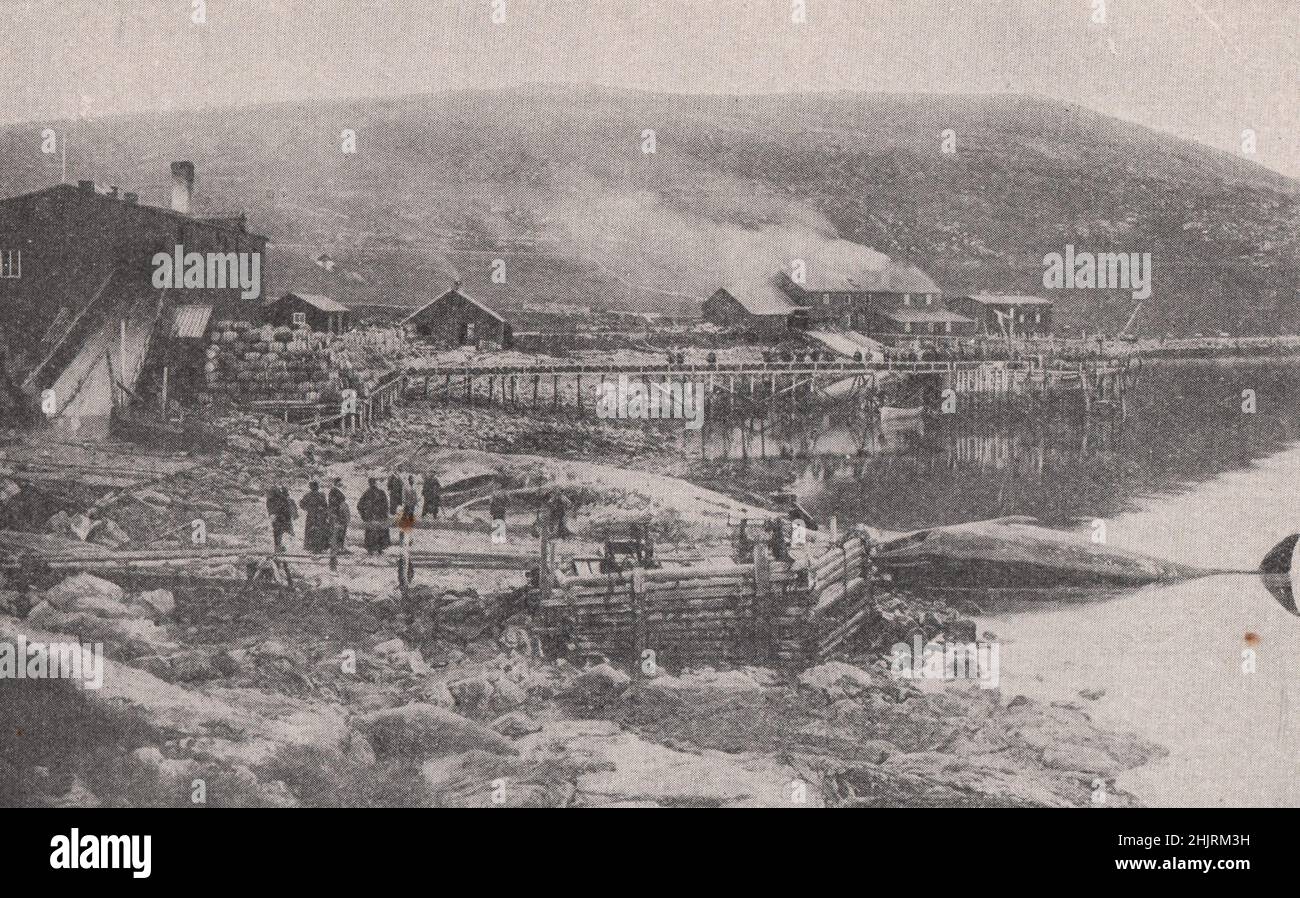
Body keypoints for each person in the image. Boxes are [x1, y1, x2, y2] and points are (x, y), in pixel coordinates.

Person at [358, 477, 391, 554]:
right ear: (376, 483)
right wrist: (385, 515)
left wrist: (364, 515)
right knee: (380, 532)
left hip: (370, 517)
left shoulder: (366, 493)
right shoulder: (381, 492)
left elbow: (359, 505)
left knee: (371, 533)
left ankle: (371, 549)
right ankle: (380, 549)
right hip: (380, 517)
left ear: (369, 484)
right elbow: (386, 506)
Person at [299, 481, 331, 553]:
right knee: (319, 531)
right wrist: (324, 513)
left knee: (311, 531)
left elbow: (301, 504)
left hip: (311, 516)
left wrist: (308, 508)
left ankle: (311, 547)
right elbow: (325, 506)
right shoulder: (321, 495)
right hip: (320, 516)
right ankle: (319, 548)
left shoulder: (307, 495)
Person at [266, 485, 294, 552]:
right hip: (282, 518)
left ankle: (278, 547)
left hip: (277, 518)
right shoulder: (282, 498)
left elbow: (270, 509)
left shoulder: (270, 500)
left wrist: (272, 514)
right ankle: (280, 547)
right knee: (283, 532)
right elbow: (287, 508)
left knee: (277, 533)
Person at [328, 477, 351, 554]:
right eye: (339, 482)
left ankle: (340, 548)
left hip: (339, 514)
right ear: (336, 482)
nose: (341, 484)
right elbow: (334, 503)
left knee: (341, 531)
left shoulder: (336, 490)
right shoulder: (333, 491)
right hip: (337, 514)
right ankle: (337, 549)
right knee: (337, 531)